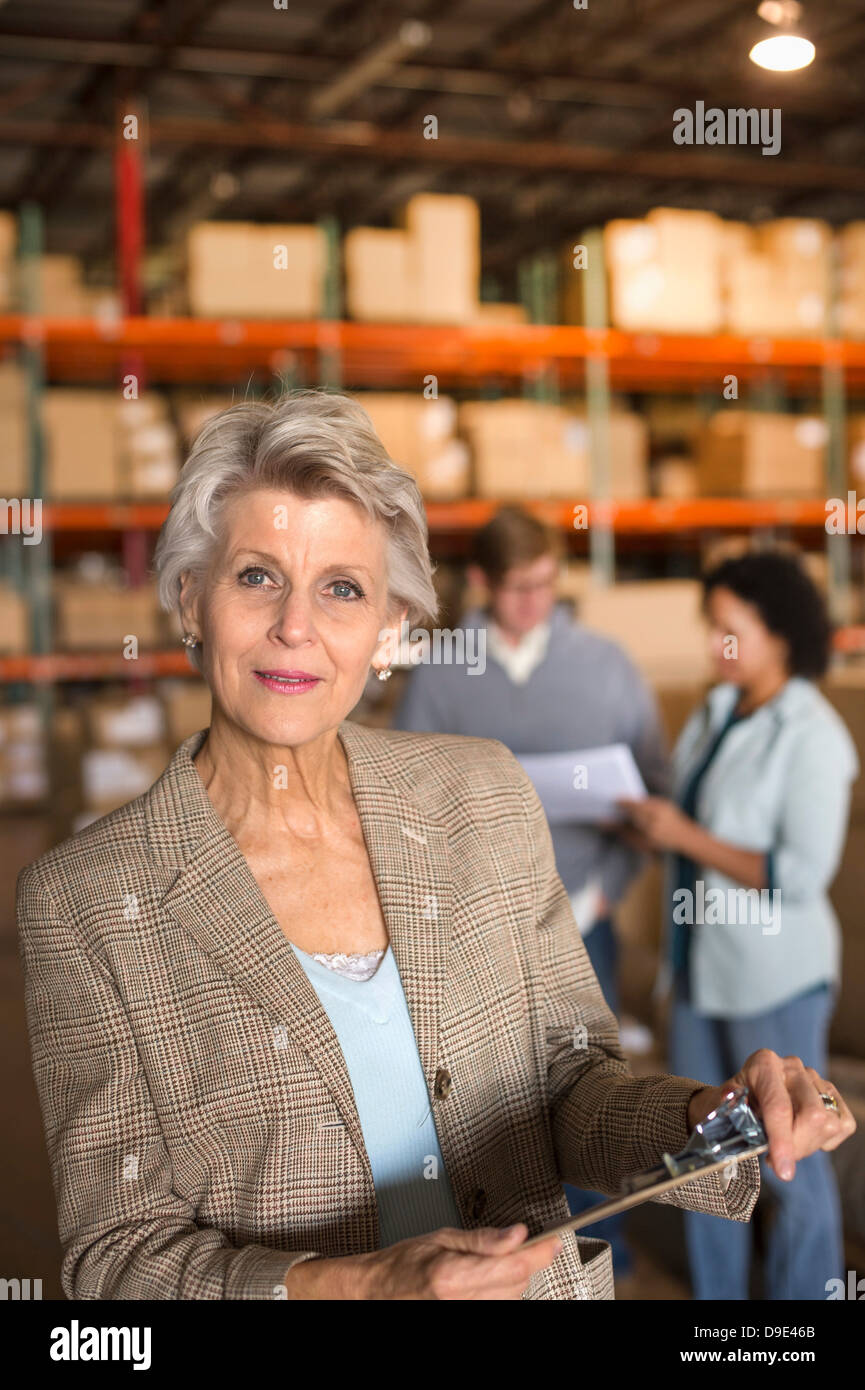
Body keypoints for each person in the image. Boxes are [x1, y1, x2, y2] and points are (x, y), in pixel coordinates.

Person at [17, 396, 854, 1300]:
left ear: (388, 633)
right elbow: (117, 1260)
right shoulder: (86, 901)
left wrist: (710, 1113)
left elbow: (570, 1085)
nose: (296, 625)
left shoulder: (482, 798)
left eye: (342, 587)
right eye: (257, 576)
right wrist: (361, 1284)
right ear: (190, 598)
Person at [392, 506, 668, 1277]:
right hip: (477, 931)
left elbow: (655, 794)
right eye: (517, 589)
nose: (534, 602)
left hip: (587, 919)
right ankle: (517, 1269)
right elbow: (405, 793)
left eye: (547, 584)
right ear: (480, 583)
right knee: (492, 1102)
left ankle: (600, 1261)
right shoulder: (444, 669)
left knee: (592, 1091)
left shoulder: (606, 666)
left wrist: (607, 893)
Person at [620, 549, 858, 1301]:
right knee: (704, 1165)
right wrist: (652, 831)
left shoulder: (813, 735)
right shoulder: (716, 712)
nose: (714, 646)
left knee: (787, 1161)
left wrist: (682, 836)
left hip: (774, 977)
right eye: (711, 630)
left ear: (779, 635)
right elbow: (688, 820)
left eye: (729, 631)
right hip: (698, 971)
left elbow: (797, 874)